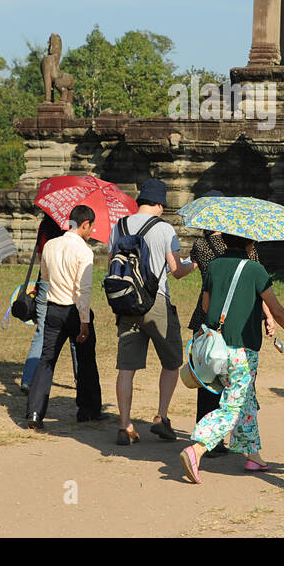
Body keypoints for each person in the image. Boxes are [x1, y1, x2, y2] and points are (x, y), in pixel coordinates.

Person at [179, 234, 284, 483]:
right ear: (250, 243)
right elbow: (275, 308)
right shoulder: (255, 269)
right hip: (242, 351)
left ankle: (253, 454)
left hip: (217, 348)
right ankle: (198, 447)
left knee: (246, 400)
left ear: (224, 239)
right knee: (233, 406)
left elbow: (205, 306)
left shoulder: (214, 266)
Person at [110, 178, 195, 446]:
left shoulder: (119, 225)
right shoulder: (164, 228)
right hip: (155, 300)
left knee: (126, 367)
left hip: (125, 301)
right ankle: (161, 417)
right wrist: (194, 262)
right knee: (171, 361)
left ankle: (125, 425)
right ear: (159, 204)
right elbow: (176, 271)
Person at [25, 205, 105, 430]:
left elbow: (46, 276)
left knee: (46, 360)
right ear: (85, 224)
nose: (91, 232)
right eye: (91, 227)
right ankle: (88, 409)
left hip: (53, 308)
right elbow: (84, 290)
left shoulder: (51, 245)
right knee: (86, 360)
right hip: (74, 310)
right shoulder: (84, 251)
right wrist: (84, 322)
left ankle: (34, 411)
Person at [187, 224, 261, 458]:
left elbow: (206, 299)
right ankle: (207, 441)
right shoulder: (250, 257)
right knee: (237, 392)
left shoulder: (200, 245)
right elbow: (260, 289)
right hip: (238, 325)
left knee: (210, 381)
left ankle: (246, 451)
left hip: (208, 323)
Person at [20, 214, 77, 393]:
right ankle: (81, 381)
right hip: (68, 278)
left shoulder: (45, 225)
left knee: (42, 330)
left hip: (45, 277)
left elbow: (40, 255)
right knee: (76, 332)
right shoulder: (72, 226)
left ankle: (28, 379)